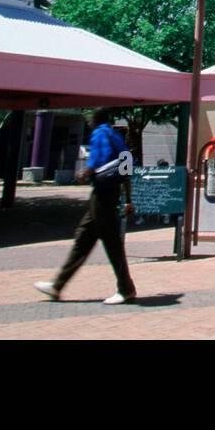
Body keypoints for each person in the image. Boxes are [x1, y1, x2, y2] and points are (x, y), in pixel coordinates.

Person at [35, 109, 136, 304]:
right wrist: (129, 198)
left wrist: (83, 174)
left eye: (90, 117)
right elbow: (127, 168)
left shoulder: (100, 133)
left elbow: (97, 161)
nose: (88, 120)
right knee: (84, 237)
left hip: (102, 193)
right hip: (110, 192)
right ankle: (58, 285)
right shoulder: (116, 135)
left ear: (95, 119)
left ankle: (126, 289)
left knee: (111, 241)